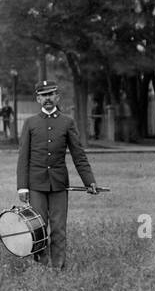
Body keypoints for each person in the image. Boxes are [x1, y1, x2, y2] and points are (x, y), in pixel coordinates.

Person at [16, 79, 98, 269]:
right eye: (43, 95)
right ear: (37, 99)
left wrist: (89, 181)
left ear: (57, 97)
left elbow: (79, 155)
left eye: (51, 94)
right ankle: (41, 263)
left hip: (59, 184)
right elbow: (23, 158)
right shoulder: (30, 123)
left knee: (59, 227)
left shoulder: (67, 122)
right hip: (36, 184)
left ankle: (58, 266)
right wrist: (22, 186)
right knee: (38, 226)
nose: (48, 99)